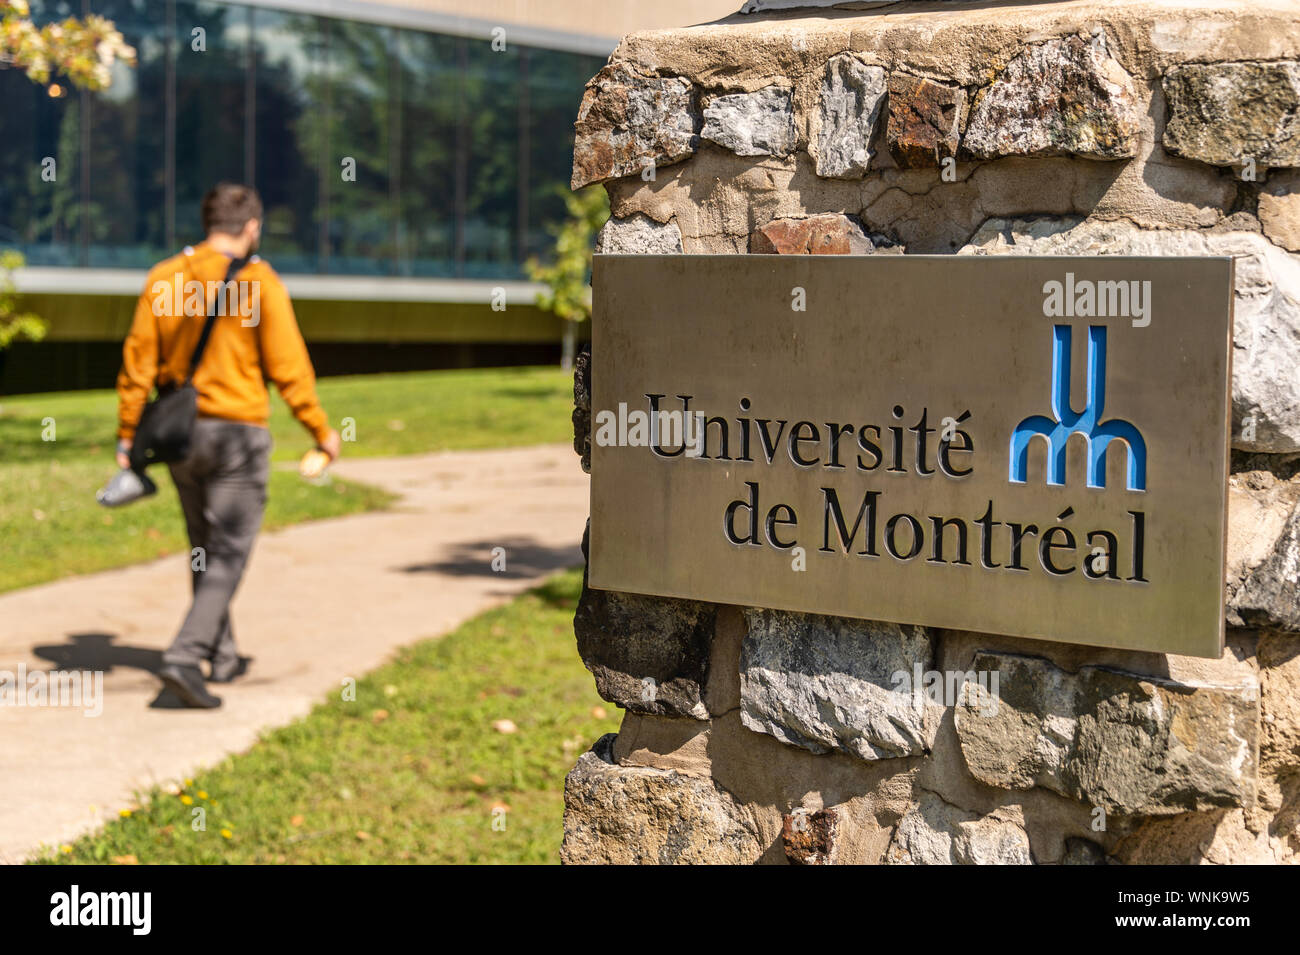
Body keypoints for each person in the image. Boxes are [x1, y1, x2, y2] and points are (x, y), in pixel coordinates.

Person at [114, 183, 341, 708]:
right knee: (229, 554)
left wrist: (128, 434)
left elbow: (137, 363)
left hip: (178, 435)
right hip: (237, 434)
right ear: (252, 226)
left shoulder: (164, 277)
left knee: (204, 550)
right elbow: (289, 368)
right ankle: (185, 655)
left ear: (207, 220)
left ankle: (223, 655)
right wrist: (320, 430)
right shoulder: (261, 283)